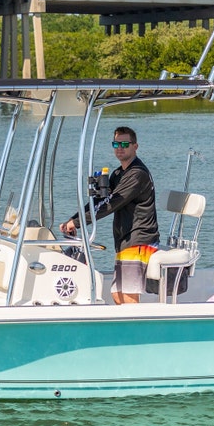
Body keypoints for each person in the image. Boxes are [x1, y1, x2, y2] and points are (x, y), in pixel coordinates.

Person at [60, 126, 159, 304]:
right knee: (117, 295)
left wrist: (78, 222)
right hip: (126, 239)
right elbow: (99, 201)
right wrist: (73, 219)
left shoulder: (137, 175)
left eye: (124, 144)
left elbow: (110, 204)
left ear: (135, 146)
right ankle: (128, 331)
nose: (119, 148)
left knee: (126, 295)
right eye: (116, 143)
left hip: (138, 239)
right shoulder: (118, 173)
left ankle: (136, 331)